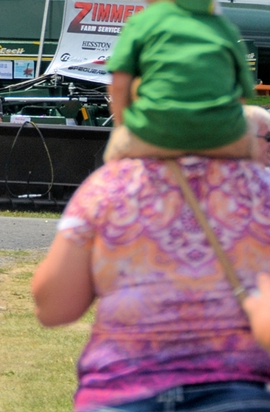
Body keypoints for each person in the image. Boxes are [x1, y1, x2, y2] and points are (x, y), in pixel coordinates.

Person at [32, 154, 270, 410]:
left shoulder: (109, 185)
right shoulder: (261, 186)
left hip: (121, 389)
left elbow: (53, 308)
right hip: (238, 389)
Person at [105, 0, 255, 162]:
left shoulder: (143, 22)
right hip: (224, 139)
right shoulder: (223, 28)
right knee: (253, 154)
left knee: (113, 162)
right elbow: (242, 92)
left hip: (154, 134)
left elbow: (119, 83)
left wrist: (123, 130)